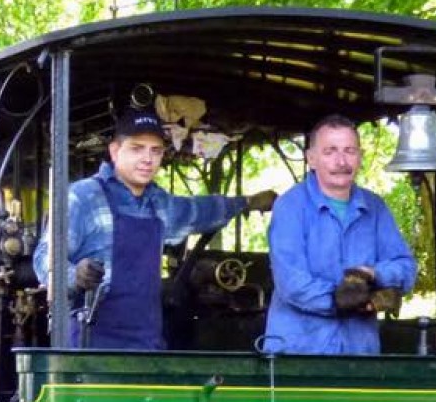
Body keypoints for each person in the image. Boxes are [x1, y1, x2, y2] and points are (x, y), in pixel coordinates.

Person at [33, 109, 276, 350]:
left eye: (155, 151)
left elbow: (199, 211)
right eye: (137, 148)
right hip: (89, 343)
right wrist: (74, 275)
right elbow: (45, 259)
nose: (147, 159)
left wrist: (247, 202)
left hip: (145, 342)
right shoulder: (82, 197)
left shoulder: (159, 203)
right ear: (115, 151)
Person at [265, 115, 417, 355]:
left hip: (359, 353)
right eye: (330, 151)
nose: (341, 161)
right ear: (311, 159)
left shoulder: (375, 207)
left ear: (360, 157)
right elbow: (292, 283)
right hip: (297, 354)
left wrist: (374, 274)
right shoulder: (290, 206)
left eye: (349, 150)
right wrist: (341, 301)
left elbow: (406, 269)